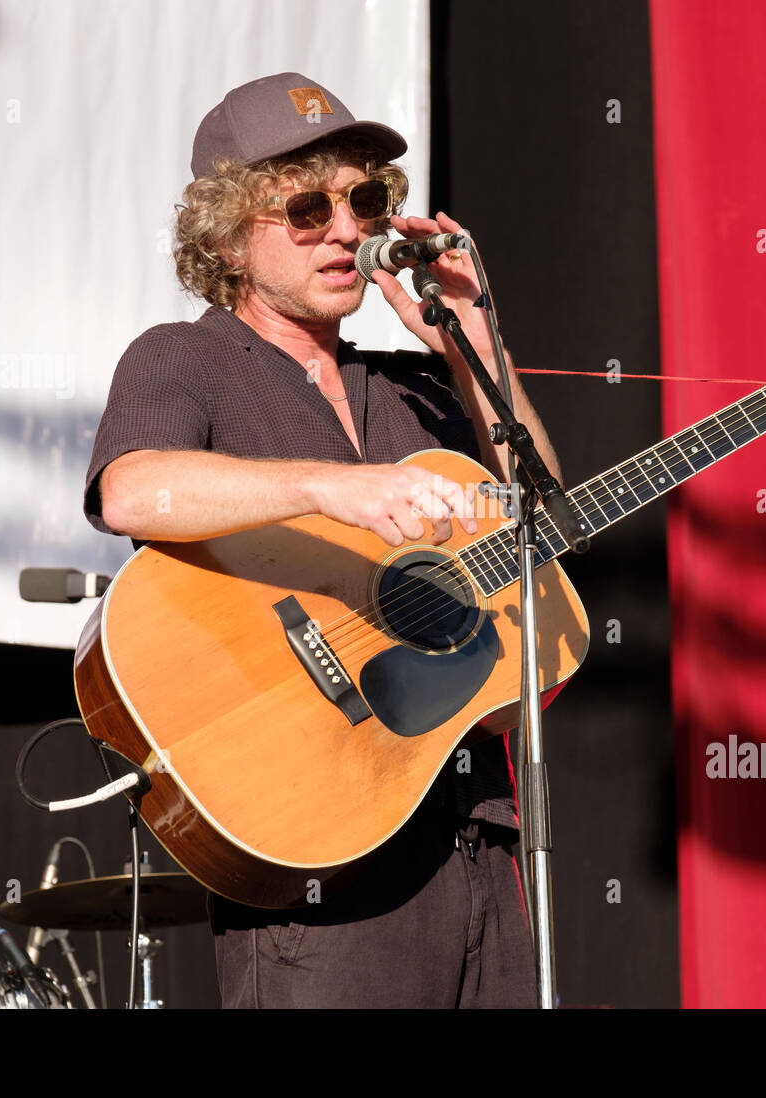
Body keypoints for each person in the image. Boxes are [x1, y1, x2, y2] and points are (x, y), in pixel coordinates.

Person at [82, 73, 562, 1008]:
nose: (348, 230)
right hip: (320, 854)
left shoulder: (417, 389)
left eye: (367, 199)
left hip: (475, 830)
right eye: (308, 207)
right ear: (226, 234)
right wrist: (326, 487)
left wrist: (469, 337)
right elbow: (132, 489)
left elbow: (541, 517)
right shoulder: (187, 357)